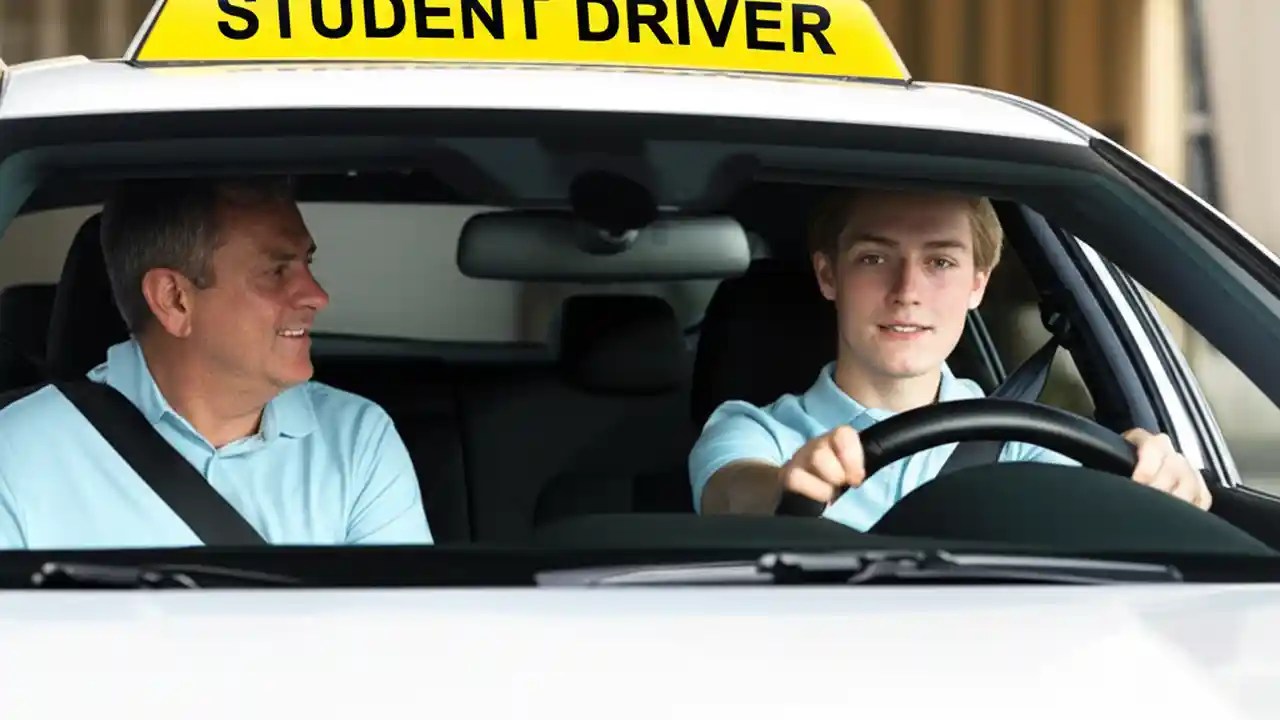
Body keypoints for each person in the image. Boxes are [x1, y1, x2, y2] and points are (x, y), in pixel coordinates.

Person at [688, 188, 1211, 530]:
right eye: (874, 258)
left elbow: (1097, 516)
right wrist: (786, 486)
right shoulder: (754, 430)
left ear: (978, 284)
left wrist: (1152, 481)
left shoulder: (1026, 442)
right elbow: (735, 494)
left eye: (939, 261)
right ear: (829, 276)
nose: (907, 290)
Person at [0, 176, 433, 549]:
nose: (317, 296)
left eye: (307, 263)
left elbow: (401, 639)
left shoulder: (358, 441)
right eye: (276, 272)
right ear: (175, 300)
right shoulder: (16, 454)